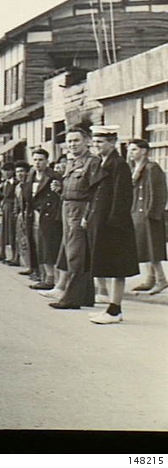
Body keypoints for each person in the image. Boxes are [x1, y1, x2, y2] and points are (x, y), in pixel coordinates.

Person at [85, 125, 139, 324]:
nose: (96, 146)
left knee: (117, 268)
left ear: (112, 142)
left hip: (114, 225)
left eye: (101, 142)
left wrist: (114, 224)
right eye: (95, 142)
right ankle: (111, 308)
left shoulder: (119, 164)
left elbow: (122, 197)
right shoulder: (102, 163)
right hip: (101, 221)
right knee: (108, 265)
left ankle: (115, 310)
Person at [44, 126, 100, 310]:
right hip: (67, 207)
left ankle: (70, 298)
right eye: (69, 141)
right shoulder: (72, 162)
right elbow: (73, 189)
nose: (72, 144)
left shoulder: (92, 162)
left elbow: (95, 192)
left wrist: (87, 215)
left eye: (76, 140)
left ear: (87, 141)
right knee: (72, 252)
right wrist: (60, 189)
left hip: (80, 210)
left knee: (76, 254)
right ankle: (85, 297)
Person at [128, 139, 168, 295]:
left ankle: (161, 279)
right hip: (136, 212)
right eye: (130, 150)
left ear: (144, 151)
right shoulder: (135, 168)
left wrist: (152, 212)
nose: (131, 154)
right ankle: (149, 278)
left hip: (148, 213)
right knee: (143, 245)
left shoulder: (152, 168)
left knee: (153, 247)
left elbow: (158, 192)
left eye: (134, 150)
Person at [27, 149, 63, 291]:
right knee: (38, 245)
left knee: (49, 247)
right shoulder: (31, 175)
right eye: (35, 160)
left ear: (47, 161)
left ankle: (51, 279)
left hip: (49, 215)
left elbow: (59, 196)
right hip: (34, 214)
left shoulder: (53, 176)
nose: (37, 163)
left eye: (41, 160)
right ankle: (42, 275)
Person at [0, 162, 18, 265]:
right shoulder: (3, 183)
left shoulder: (16, 183)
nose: (6, 173)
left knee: (12, 232)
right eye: (4, 170)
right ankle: (2, 252)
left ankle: (15, 256)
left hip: (12, 208)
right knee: (2, 231)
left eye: (8, 170)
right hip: (4, 208)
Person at [11, 160, 33, 269]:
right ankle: (28, 265)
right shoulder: (18, 186)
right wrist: (16, 213)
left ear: (27, 173)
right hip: (20, 216)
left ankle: (33, 268)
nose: (19, 174)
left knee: (30, 241)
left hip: (29, 215)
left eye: (22, 171)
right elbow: (16, 202)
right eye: (17, 172)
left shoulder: (30, 185)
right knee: (21, 240)